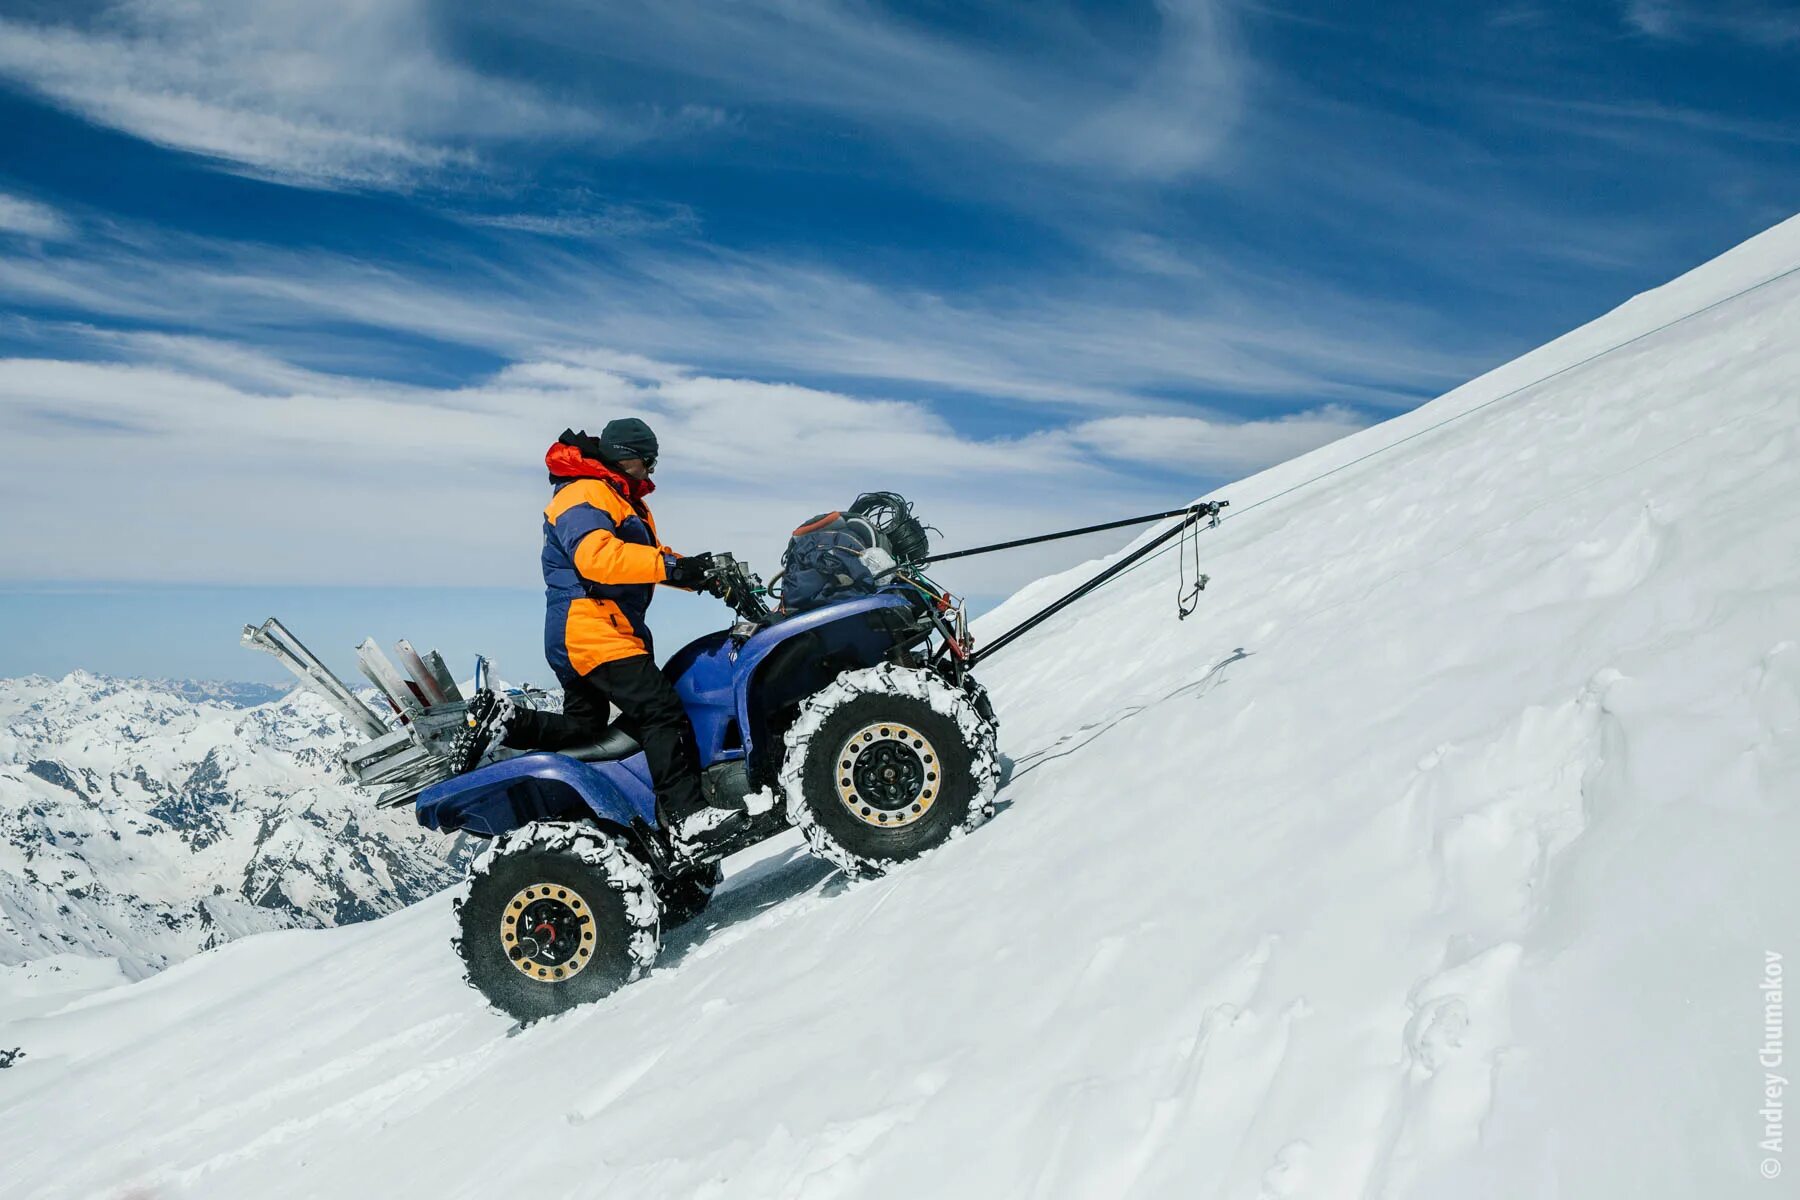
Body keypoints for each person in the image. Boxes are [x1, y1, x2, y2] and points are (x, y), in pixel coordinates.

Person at [458, 418, 747, 859]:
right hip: (592, 629)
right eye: (647, 461)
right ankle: (687, 817)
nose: (650, 472)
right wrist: (674, 568)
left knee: (585, 730)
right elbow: (597, 558)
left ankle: (509, 722)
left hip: (592, 630)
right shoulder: (584, 492)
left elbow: (644, 557)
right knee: (661, 709)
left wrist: (696, 572)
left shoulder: (614, 495)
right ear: (626, 457)